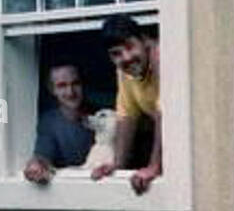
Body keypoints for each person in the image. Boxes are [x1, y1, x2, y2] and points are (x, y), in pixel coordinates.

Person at [90, 14, 161, 194]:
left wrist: (154, 166)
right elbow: (127, 117)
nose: (126, 57)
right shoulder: (124, 71)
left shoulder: (161, 58)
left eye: (130, 47)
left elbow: (168, 114)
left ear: (144, 41)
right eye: (116, 54)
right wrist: (117, 164)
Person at [23, 62, 94, 184]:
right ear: (53, 90)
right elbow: (43, 155)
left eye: (75, 83)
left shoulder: (102, 116)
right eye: (62, 86)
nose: (70, 92)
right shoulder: (49, 122)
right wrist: (36, 166)